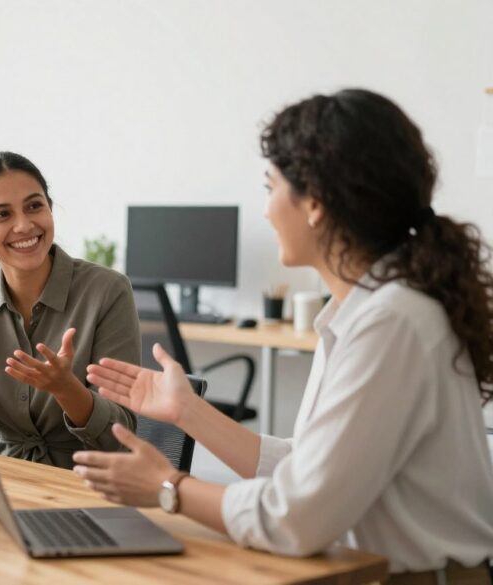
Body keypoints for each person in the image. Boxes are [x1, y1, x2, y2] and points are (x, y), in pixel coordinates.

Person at [73, 89, 493, 581]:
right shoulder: (363, 311)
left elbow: (297, 516)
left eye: (271, 187)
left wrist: (169, 487)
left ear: (314, 202)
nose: (268, 210)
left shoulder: (392, 322)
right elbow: (307, 469)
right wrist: (189, 411)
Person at [0, 151, 138, 469]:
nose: (24, 225)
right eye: (2, 215)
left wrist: (66, 389)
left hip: (92, 482)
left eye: (34, 206)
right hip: (7, 477)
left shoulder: (108, 291)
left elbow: (119, 436)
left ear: (50, 208)